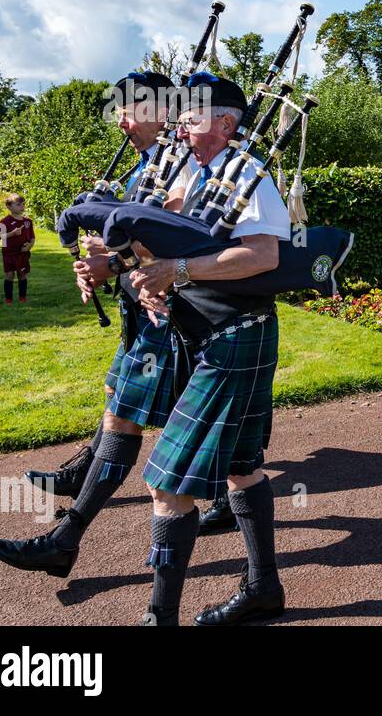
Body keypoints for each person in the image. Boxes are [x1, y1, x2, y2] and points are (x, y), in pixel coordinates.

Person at [0, 71, 188, 580]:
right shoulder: (149, 164)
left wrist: (112, 262)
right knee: (126, 401)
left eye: (129, 110)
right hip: (144, 309)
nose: (120, 120)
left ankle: (65, 538)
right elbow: (133, 230)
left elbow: (179, 239)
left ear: (161, 111)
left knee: (126, 416)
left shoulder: (183, 165)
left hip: (173, 311)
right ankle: (83, 483)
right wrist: (98, 254)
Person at [128, 72, 289, 626]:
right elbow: (162, 237)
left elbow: (263, 255)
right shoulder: (187, 171)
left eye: (193, 111)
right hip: (205, 334)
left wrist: (178, 270)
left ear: (225, 123)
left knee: (165, 483)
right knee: (241, 468)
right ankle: (264, 587)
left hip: (235, 336)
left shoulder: (247, 175)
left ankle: (159, 618)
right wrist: (148, 275)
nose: (180, 118)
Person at [0, 194, 35, 304]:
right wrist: (11, 234)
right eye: (18, 205)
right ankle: (8, 299)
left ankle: (22, 298)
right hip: (8, 253)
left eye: (23, 204)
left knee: (22, 274)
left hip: (22, 254)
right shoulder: (4, 221)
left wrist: (30, 246)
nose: (22, 207)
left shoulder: (28, 221)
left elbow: (32, 237)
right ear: (9, 206)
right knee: (9, 276)